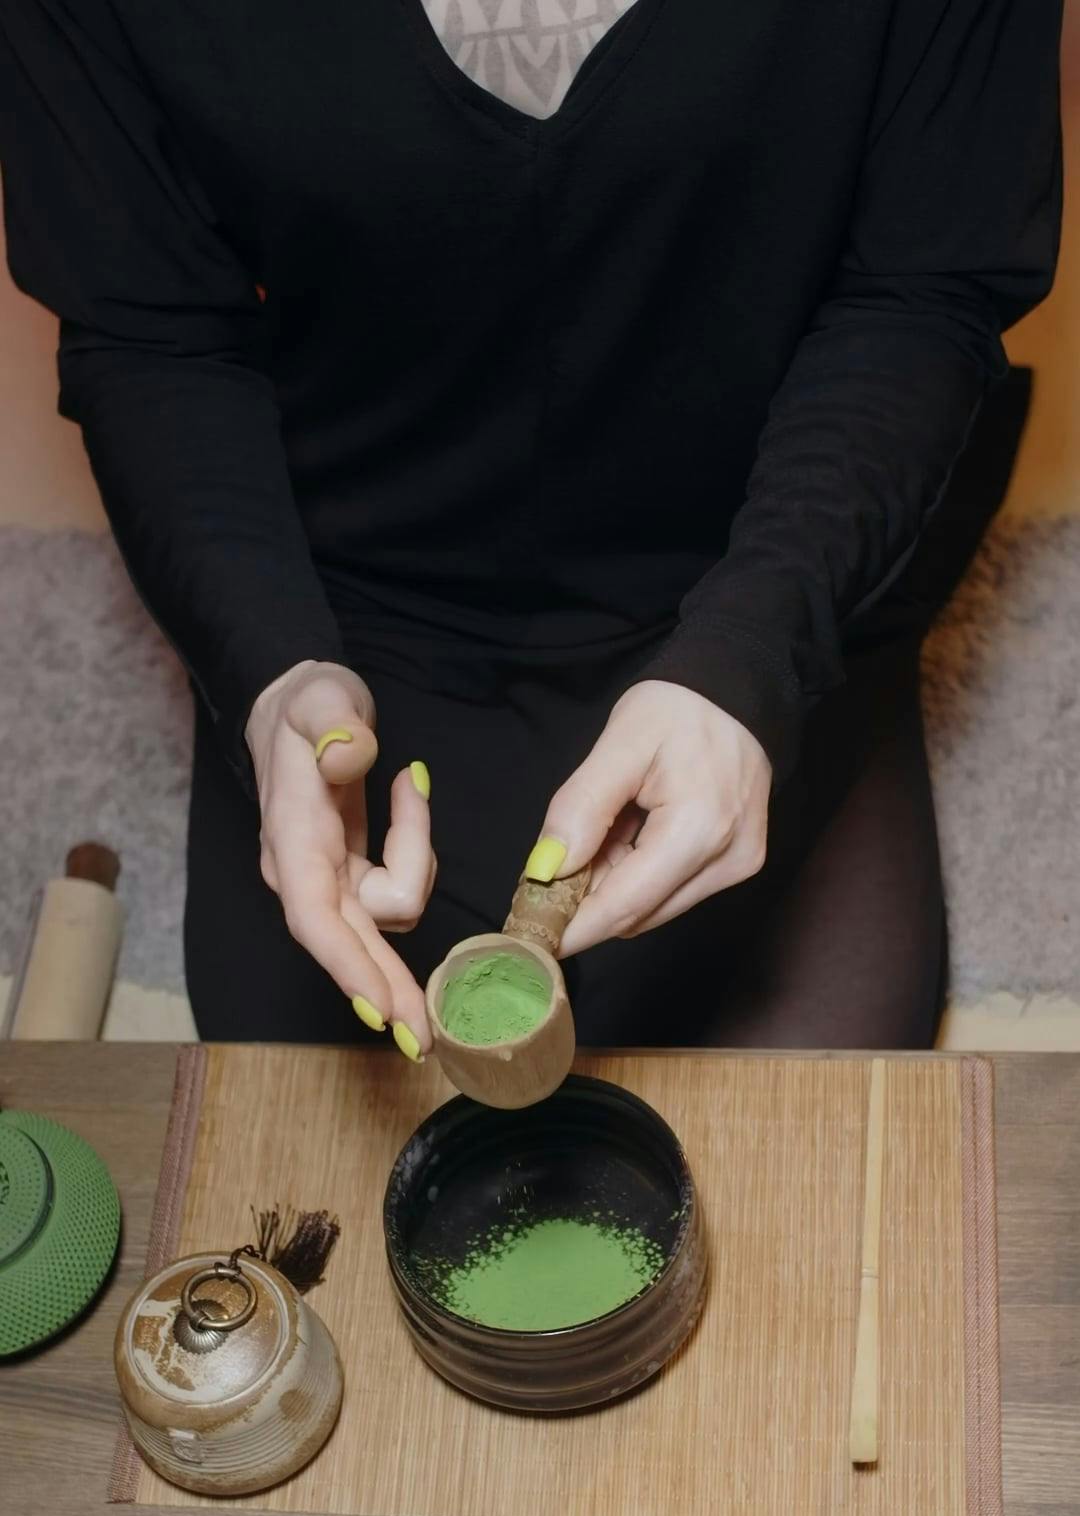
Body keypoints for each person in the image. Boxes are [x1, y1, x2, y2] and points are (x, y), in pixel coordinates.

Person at [0, 1, 1062, 1057]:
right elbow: (151, 332)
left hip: (762, 530)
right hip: (346, 582)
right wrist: (270, 670)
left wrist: (758, 653)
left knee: (809, 1110)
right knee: (303, 1084)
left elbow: (921, 282)